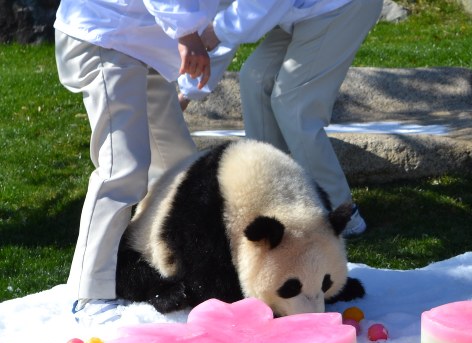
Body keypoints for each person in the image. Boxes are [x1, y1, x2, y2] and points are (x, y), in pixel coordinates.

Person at [54, 0, 215, 325]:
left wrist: (194, 37)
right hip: (106, 32)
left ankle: (171, 265)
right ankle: (88, 292)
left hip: (146, 46)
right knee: (122, 168)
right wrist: (186, 33)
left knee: (183, 168)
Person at [178, 0, 382, 238]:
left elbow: (232, 23)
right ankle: (273, 202)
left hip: (340, 6)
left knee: (294, 104)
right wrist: (185, 95)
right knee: (255, 80)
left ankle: (342, 215)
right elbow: (220, 27)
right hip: (293, 9)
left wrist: (217, 31)